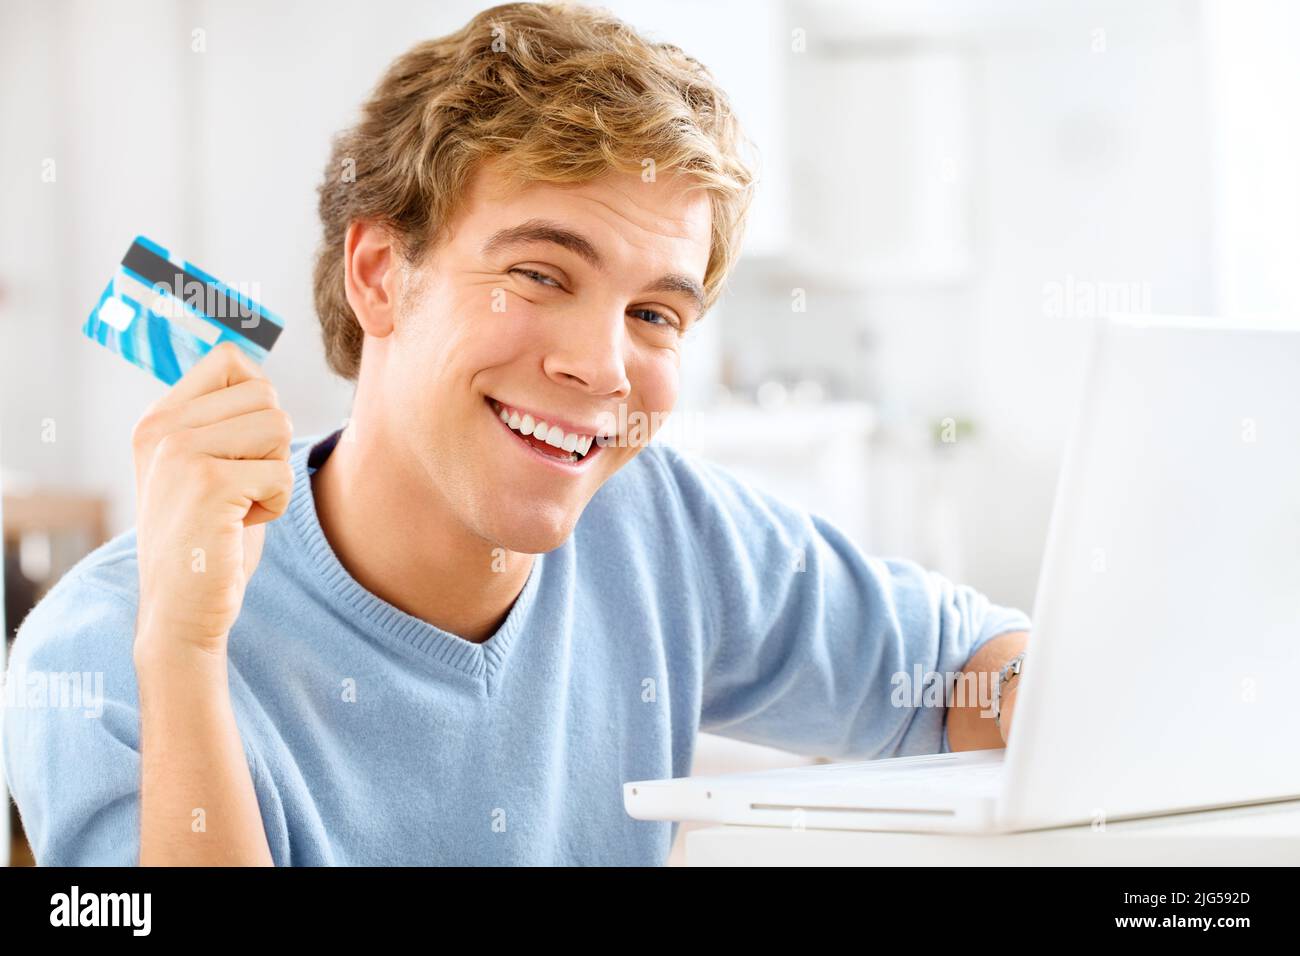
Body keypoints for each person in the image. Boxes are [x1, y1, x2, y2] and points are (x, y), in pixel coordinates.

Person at [2, 1, 1029, 866]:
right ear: (378, 276)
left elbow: (972, 669)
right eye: (540, 273)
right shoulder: (110, 643)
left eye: (654, 314)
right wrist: (183, 653)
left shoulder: (661, 526)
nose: (603, 364)